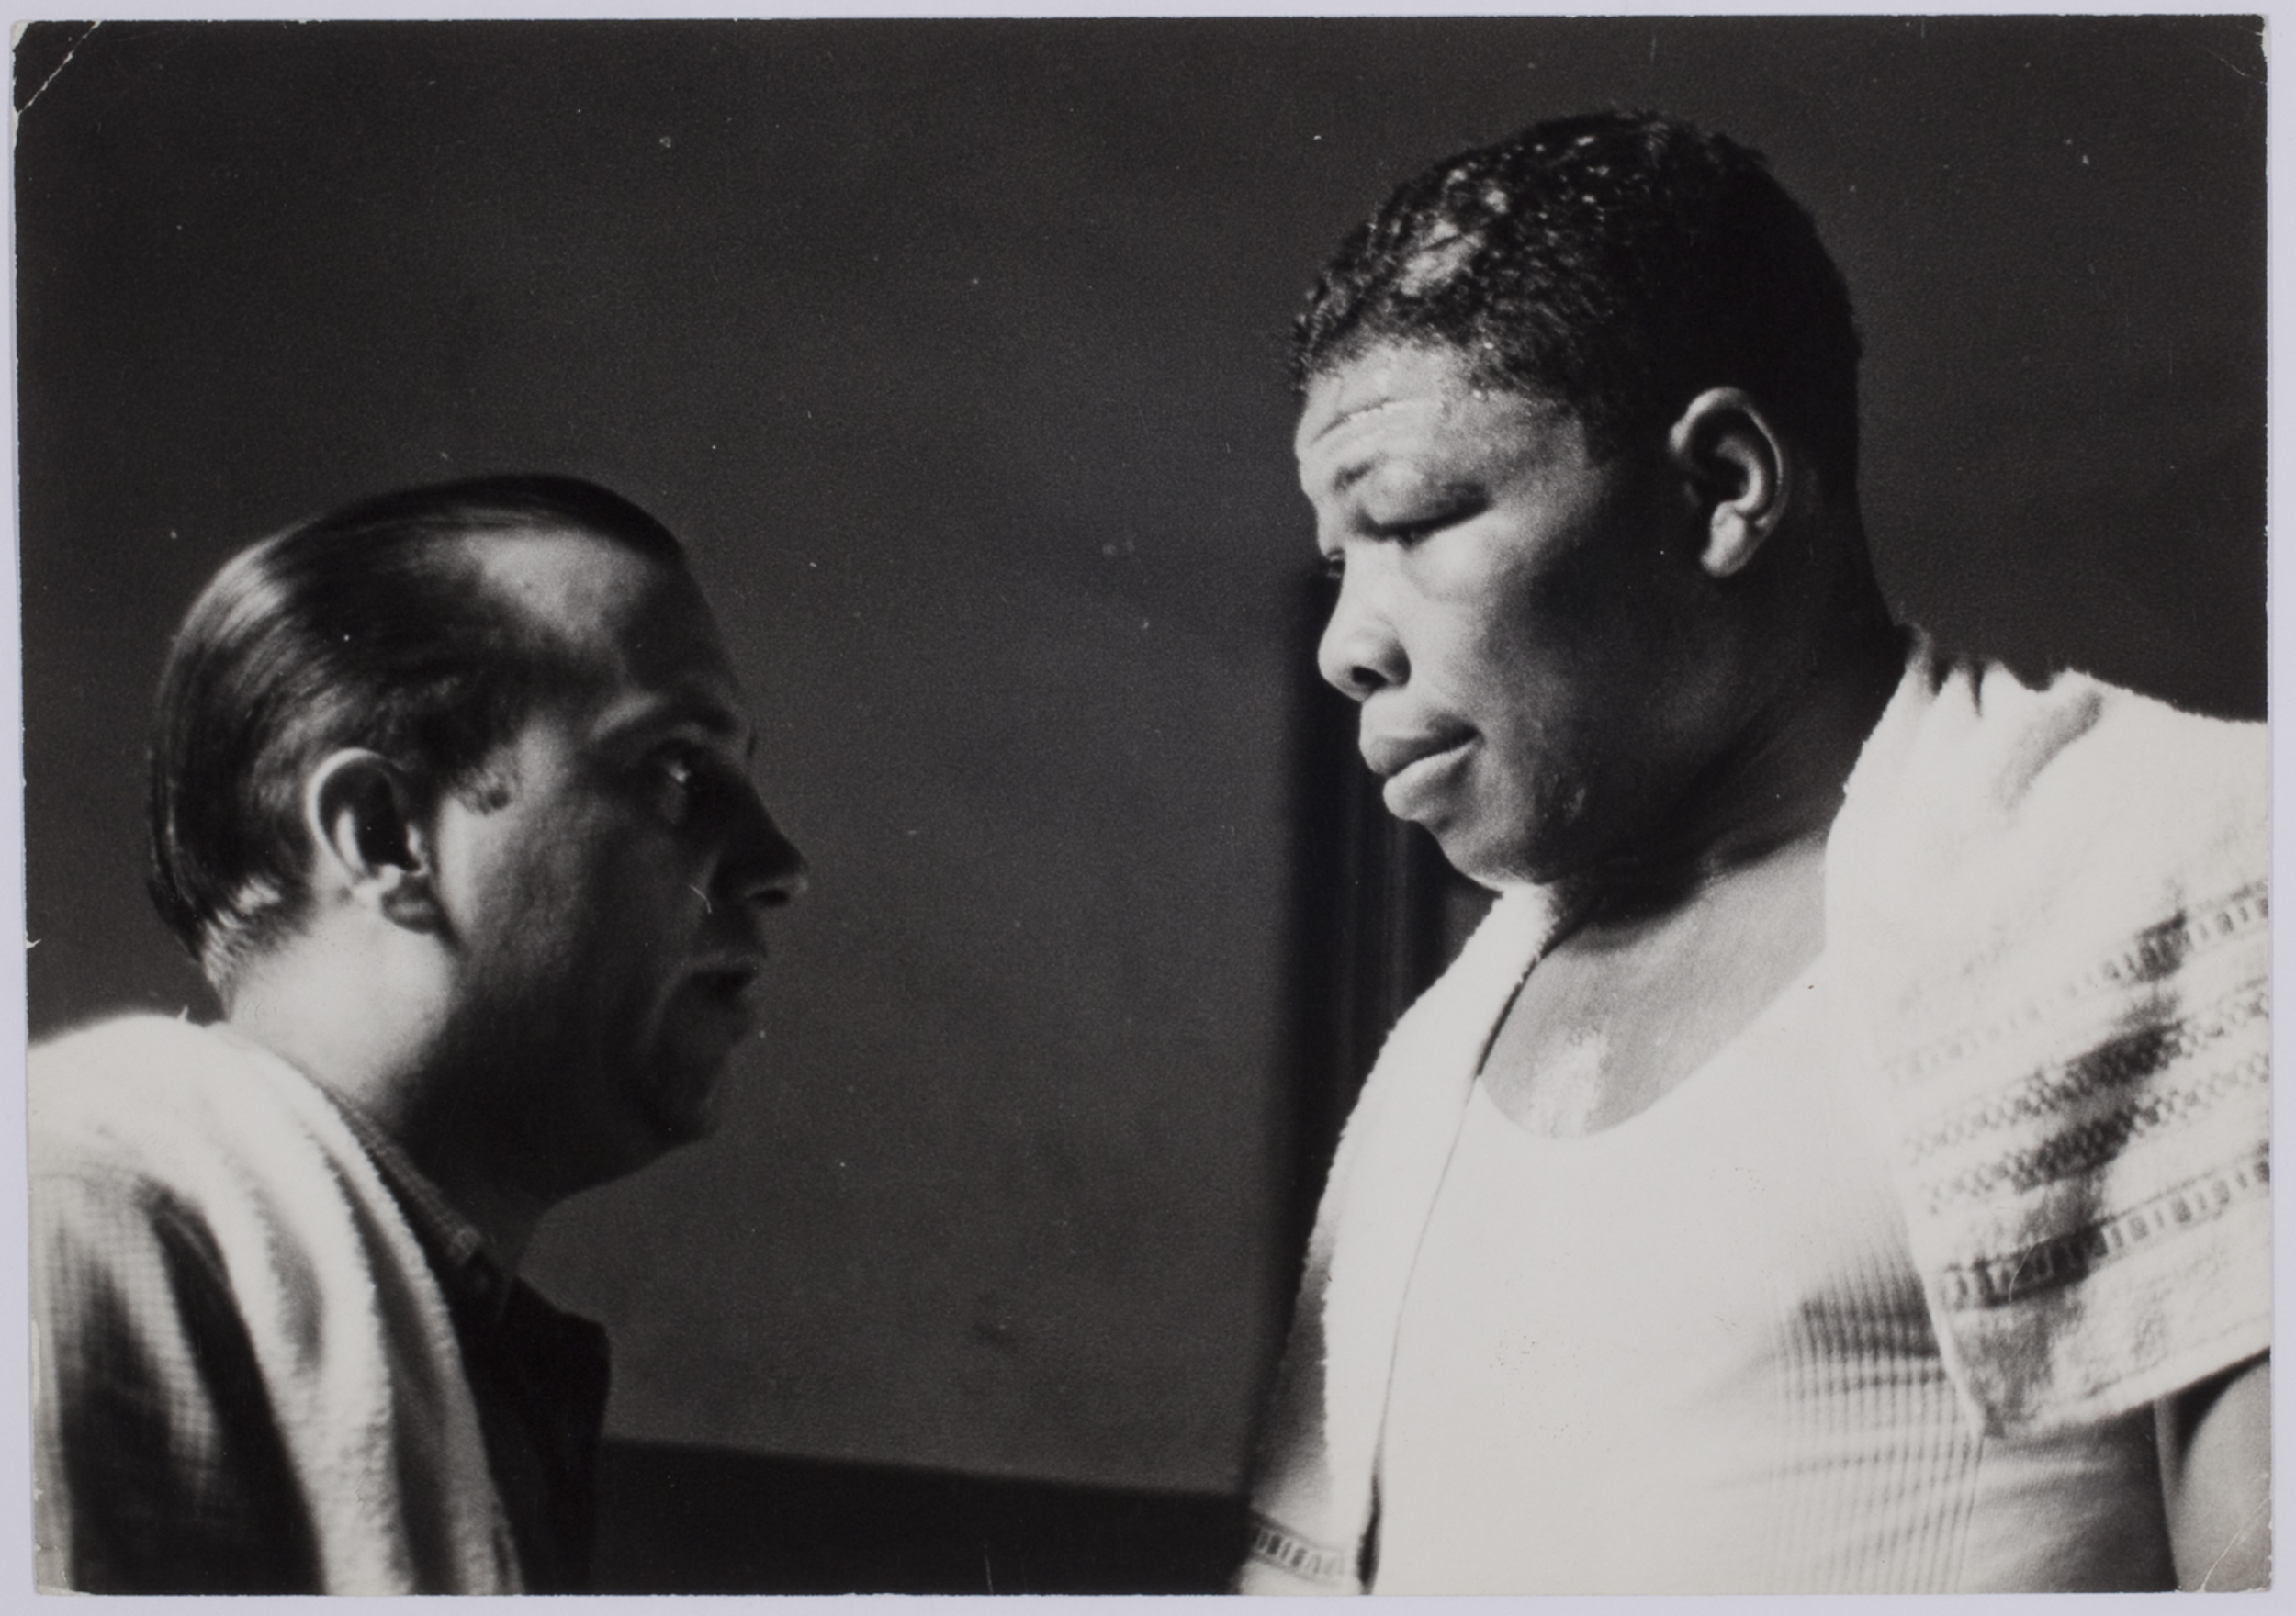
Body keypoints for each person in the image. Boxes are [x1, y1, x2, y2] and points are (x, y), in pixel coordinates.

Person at [1243, 112, 2268, 1594]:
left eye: (1409, 520)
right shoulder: (1438, 1055)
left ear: (1723, 486)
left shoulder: (2186, 871)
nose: (1347, 642)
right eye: (1342, 560)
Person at [29, 476, 808, 1592]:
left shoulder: (484, 1354)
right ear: (385, 834)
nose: (782, 863)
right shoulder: (77, 1234)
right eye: (675, 769)